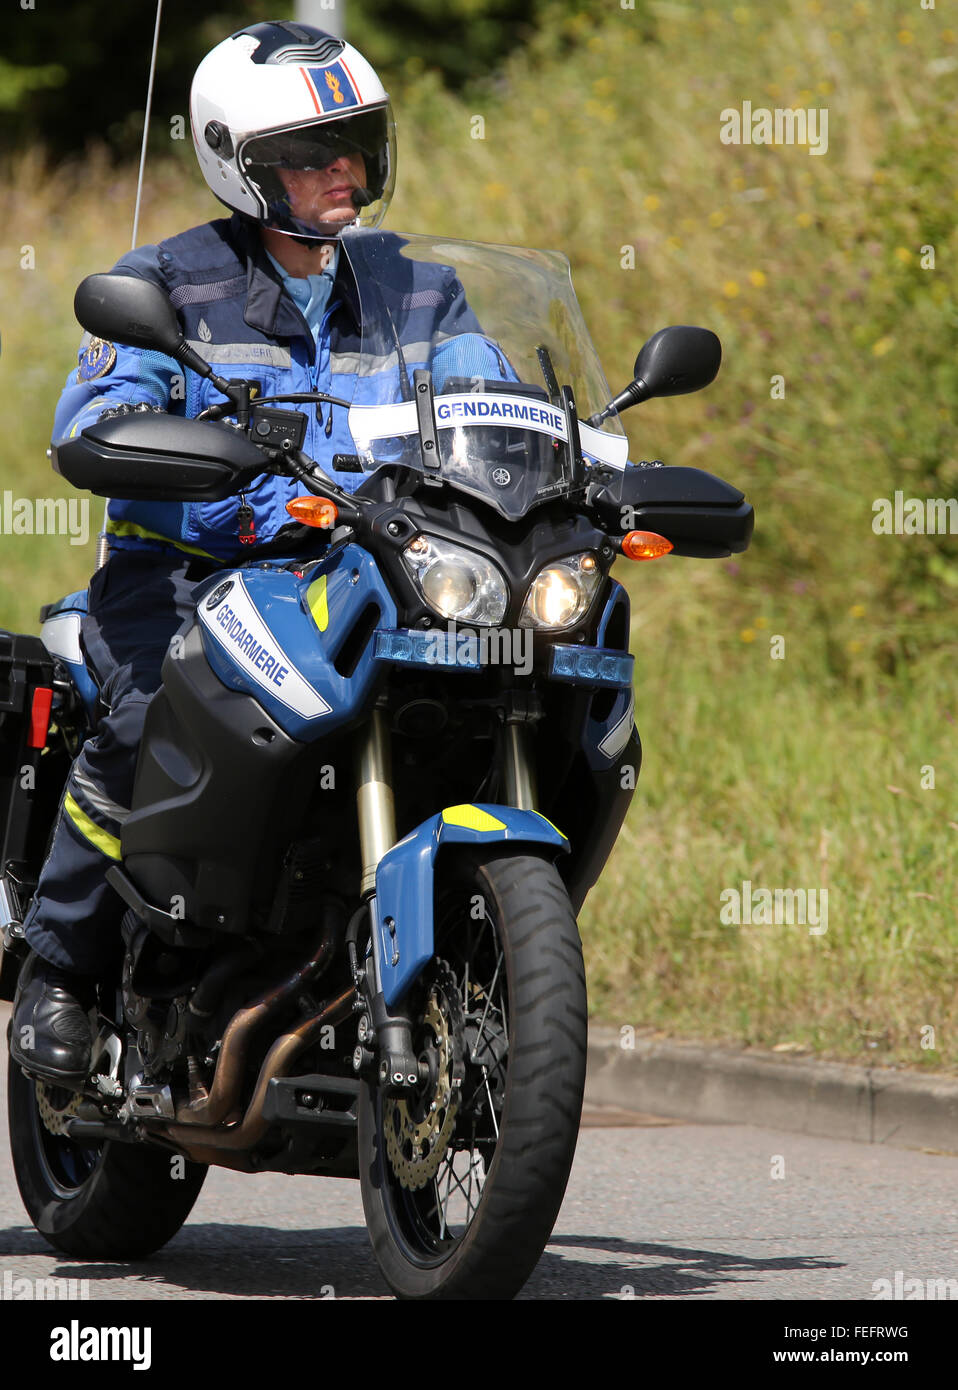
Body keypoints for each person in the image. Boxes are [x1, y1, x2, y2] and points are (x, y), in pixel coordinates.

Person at [10, 18, 488, 1086]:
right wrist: (222, 475)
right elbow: (98, 426)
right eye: (312, 155)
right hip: (187, 579)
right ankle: (62, 970)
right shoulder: (165, 287)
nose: (345, 172)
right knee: (142, 713)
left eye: (357, 144)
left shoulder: (420, 288)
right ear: (242, 162)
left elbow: (486, 398)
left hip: (373, 572)